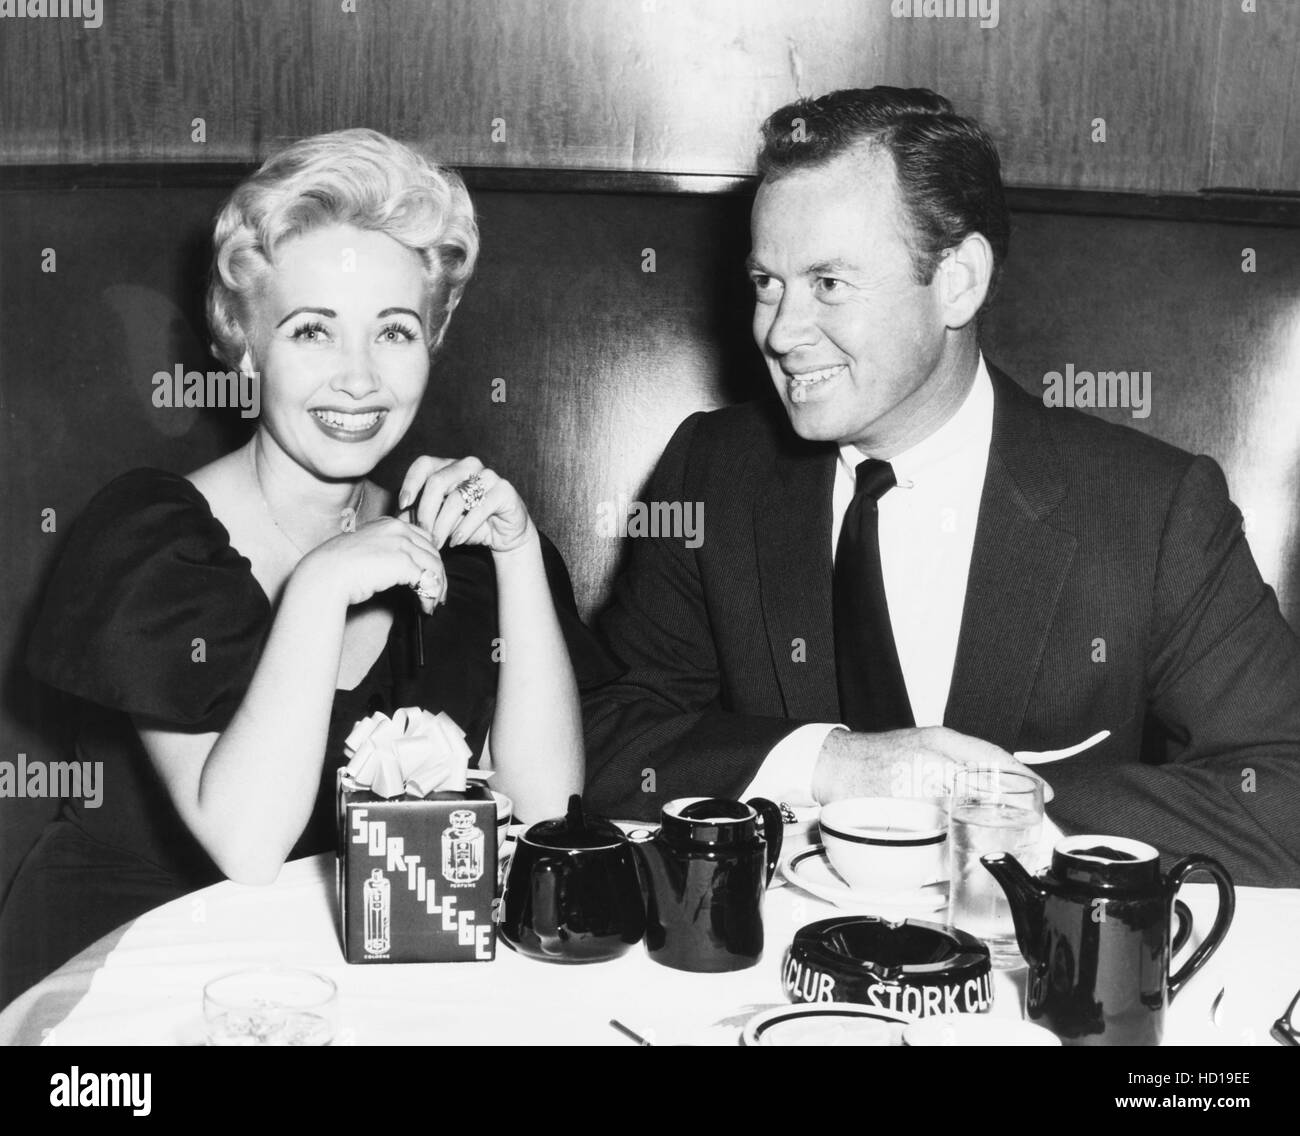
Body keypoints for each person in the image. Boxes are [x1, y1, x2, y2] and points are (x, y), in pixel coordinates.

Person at [583, 87, 1300, 888]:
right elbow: (604, 733)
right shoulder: (713, 472)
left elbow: (1284, 790)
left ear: (958, 281)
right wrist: (832, 764)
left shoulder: (1155, 510)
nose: (779, 334)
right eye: (765, 283)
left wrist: (1004, 808)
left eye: (827, 283)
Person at [0, 128, 616, 1006]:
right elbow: (248, 844)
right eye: (312, 330)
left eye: (394, 331)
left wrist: (516, 555)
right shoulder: (152, 539)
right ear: (245, 346)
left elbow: (547, 811)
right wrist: (323, 584)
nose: (358, 378)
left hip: (339, 974)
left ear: (431, 343)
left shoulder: (445, 541)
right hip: (130, 972)